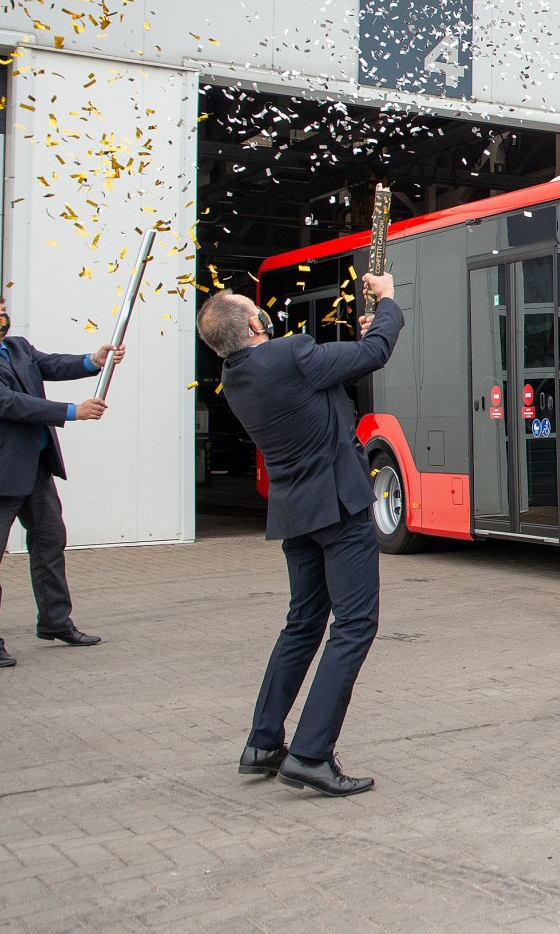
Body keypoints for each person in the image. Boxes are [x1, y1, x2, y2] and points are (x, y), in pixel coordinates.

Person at [196, 275, 403, 798]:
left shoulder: (236, 375)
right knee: (354, 625)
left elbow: (343, 366)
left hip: (296, 513)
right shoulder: (291, 353)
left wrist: (368, 331)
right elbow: (375, 354)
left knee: (303, 625)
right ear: (253, 324)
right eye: (254, 308)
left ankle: (263, 743)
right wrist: (387, 300)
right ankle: (310, 755)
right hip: (339, 507)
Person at [0, 289, 124, 668]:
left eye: (3, 310)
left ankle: (55, 621)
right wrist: (71, 410)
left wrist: (92, 360)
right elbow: (5, 402)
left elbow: (50, 364)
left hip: (35, 467)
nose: (1, 317)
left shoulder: (16, 347)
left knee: (50, 543)